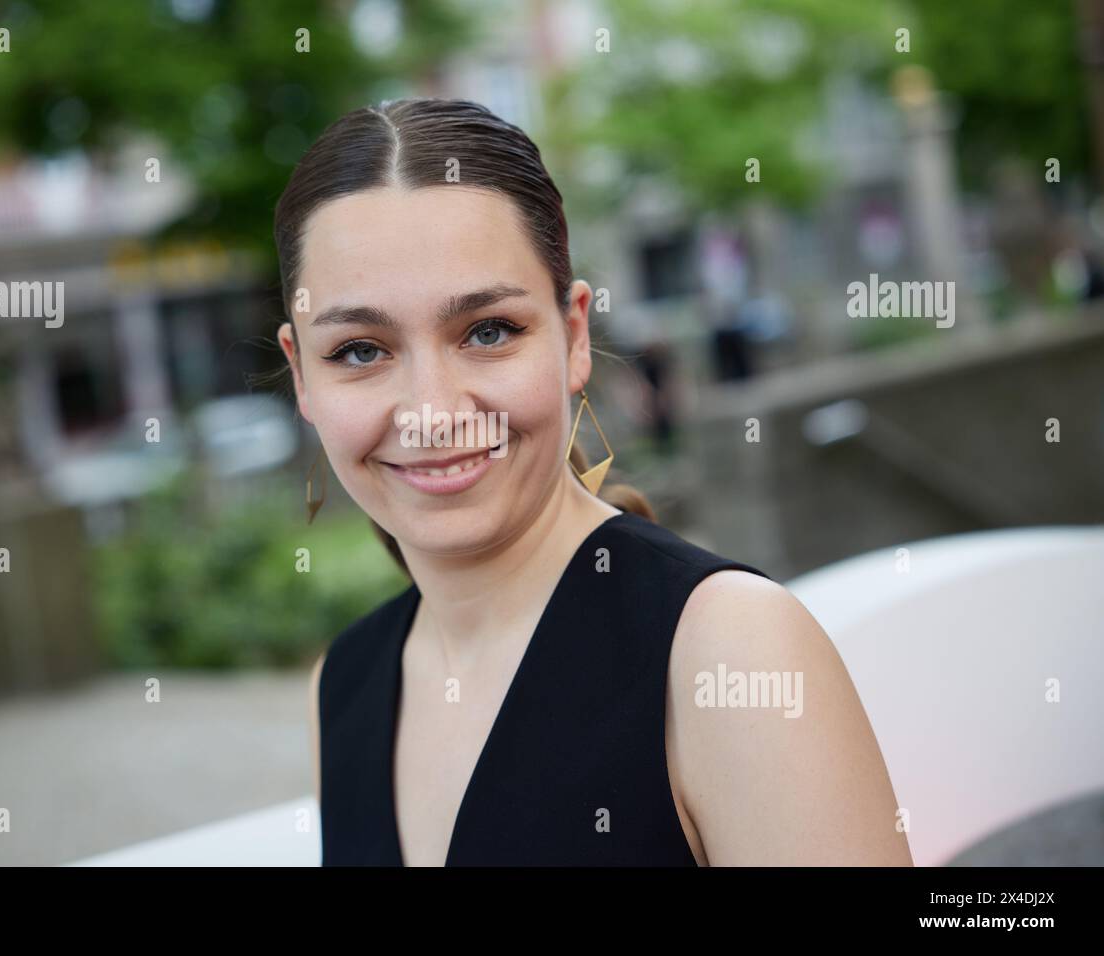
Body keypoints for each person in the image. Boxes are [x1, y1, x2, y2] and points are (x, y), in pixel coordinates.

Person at [273, 97, 912, 867]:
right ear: (301, 375)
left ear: (574, 337)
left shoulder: (727, 650)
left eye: (488, 331)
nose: (433, 414)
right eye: (359, 350)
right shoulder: (340, 689)